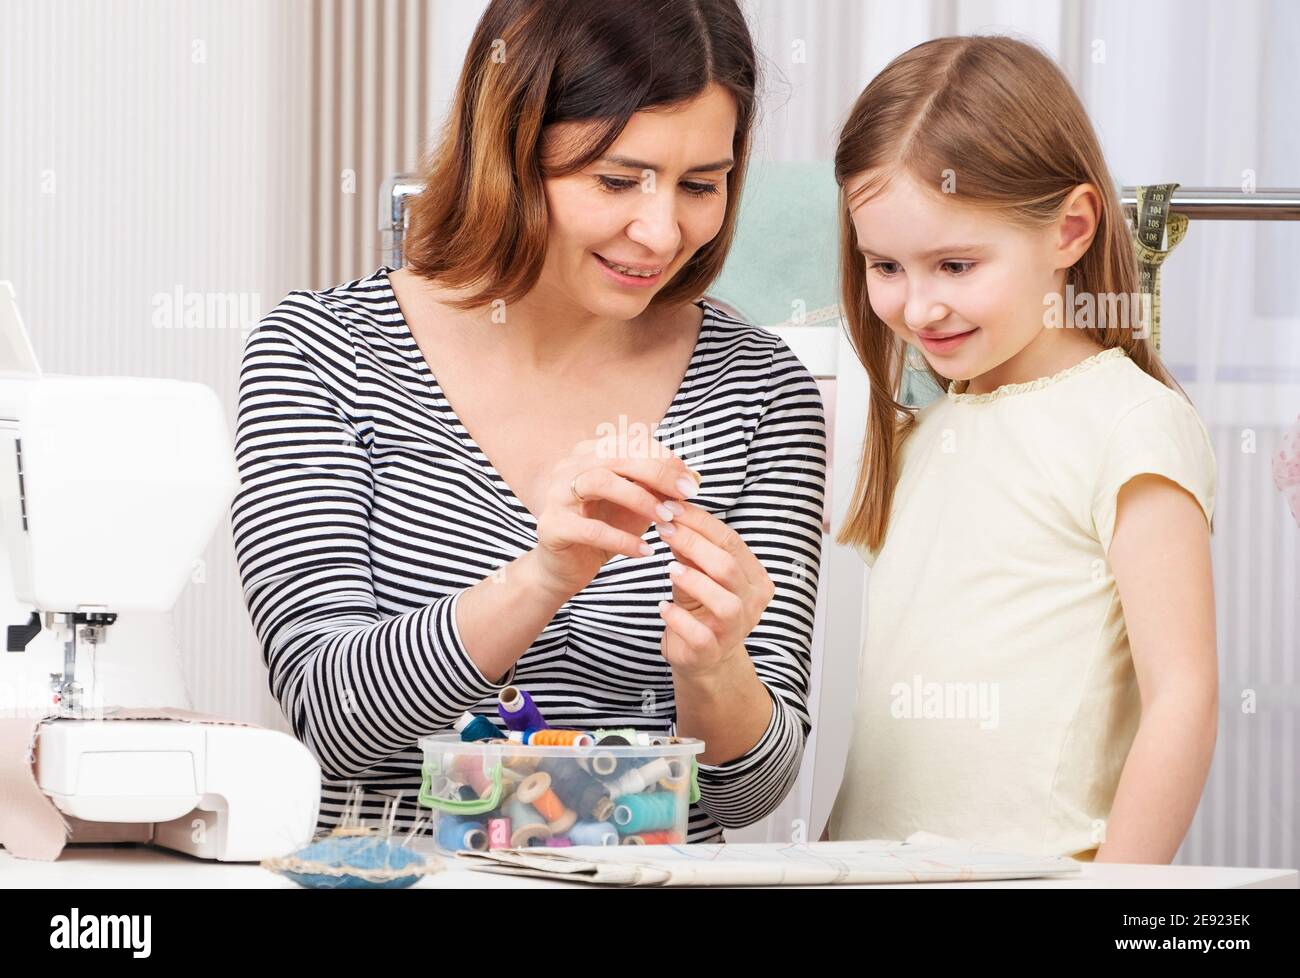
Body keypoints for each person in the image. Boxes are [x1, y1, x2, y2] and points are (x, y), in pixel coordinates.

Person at [231, 0, 827, 842]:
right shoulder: (324, 354)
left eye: (702, 184)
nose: (662, 232)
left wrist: (717, 664)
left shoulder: (760, 388)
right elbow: (333, 722)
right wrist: (540, 578)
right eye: (616, 180)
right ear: (508, 153)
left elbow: (745, 797)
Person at [826, 35, 1217, 862]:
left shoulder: (1129, 423)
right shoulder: (921, 430)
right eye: (886, 265)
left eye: (956, 264)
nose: (920, 306)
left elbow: (1183, 697)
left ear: (1070, 229)